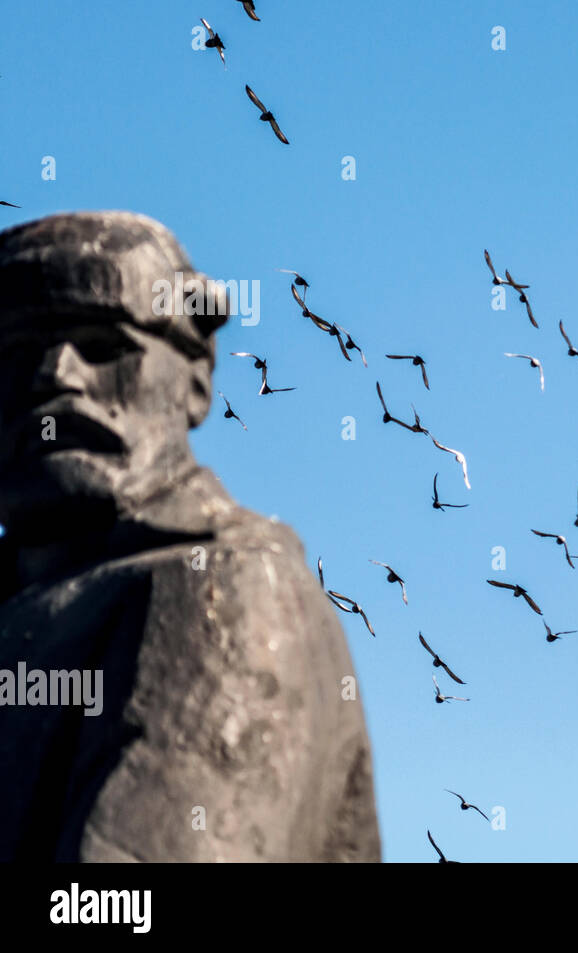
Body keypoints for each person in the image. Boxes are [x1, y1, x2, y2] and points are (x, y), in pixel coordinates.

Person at [0, 211, 381, 861]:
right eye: (12, 352)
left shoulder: (221, 586)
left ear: (198, 374)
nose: (55, 376)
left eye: (102, 343)